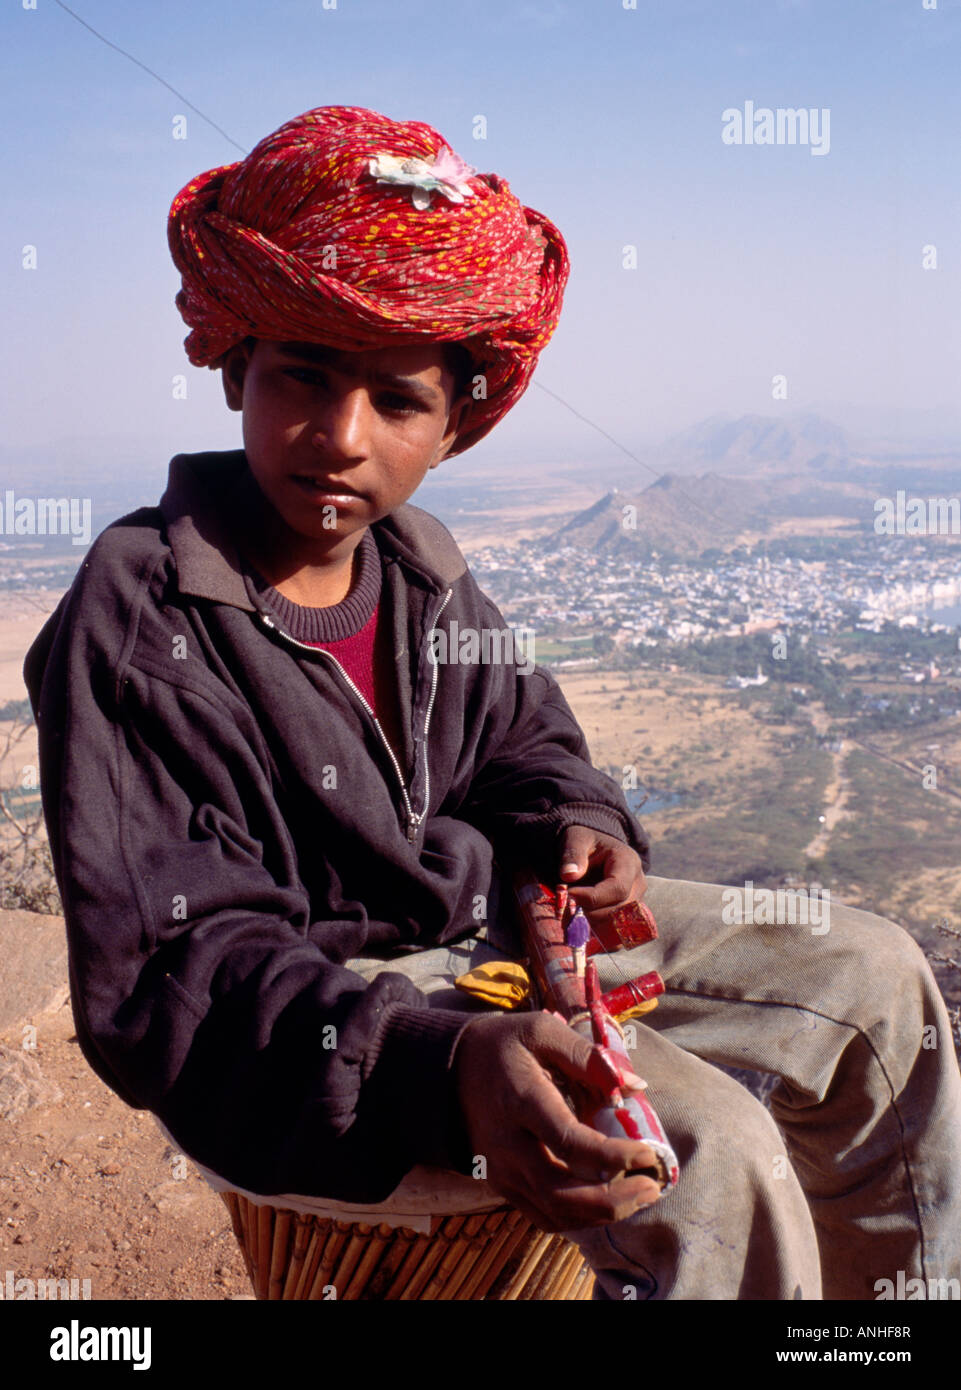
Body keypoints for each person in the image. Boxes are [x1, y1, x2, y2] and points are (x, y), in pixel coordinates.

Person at [23, 105, 961, 1301]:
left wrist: (580, 826)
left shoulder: (418, 564)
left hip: (485, 941)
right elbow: (174, 978)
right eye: (302, 375)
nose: (340, 437)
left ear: (455, 423)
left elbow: (525, 740)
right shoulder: (143, 613)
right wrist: (442, 1062)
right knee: (708, 1152)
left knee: (877, 979)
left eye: (398, 400)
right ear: (233, 372)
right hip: (330, 1032)